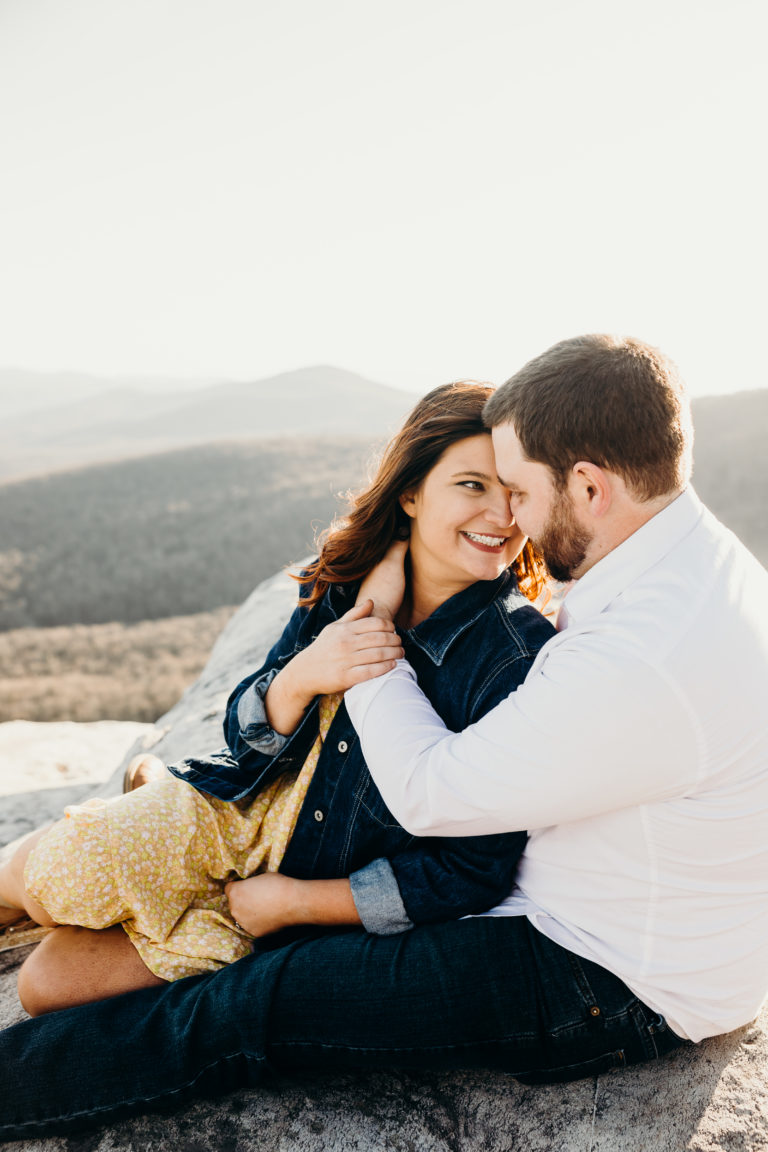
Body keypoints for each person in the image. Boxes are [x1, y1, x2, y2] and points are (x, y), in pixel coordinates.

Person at [1, 335, 767, 1142]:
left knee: (249, 1008)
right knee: (73, 884)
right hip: (585, 911)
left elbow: (434, 796)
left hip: (599, 971)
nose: (516, 520)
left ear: (588, 484)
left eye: (520, 489)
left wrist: (369, 639)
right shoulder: (692, 563)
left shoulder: (636, 651)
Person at [0, 381, 554, 1011]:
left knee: (46, 989)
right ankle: (146, 818)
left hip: (306, 881)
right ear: (410, 491)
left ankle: (149, 821)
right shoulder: (347, 579)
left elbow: (472, 870)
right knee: (51, 882)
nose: (501, 516)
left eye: (514, 491)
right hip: (235, 812)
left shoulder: (515, 660)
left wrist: (294, 902)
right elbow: (244, 737)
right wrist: (304, 674)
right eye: (472, 485)